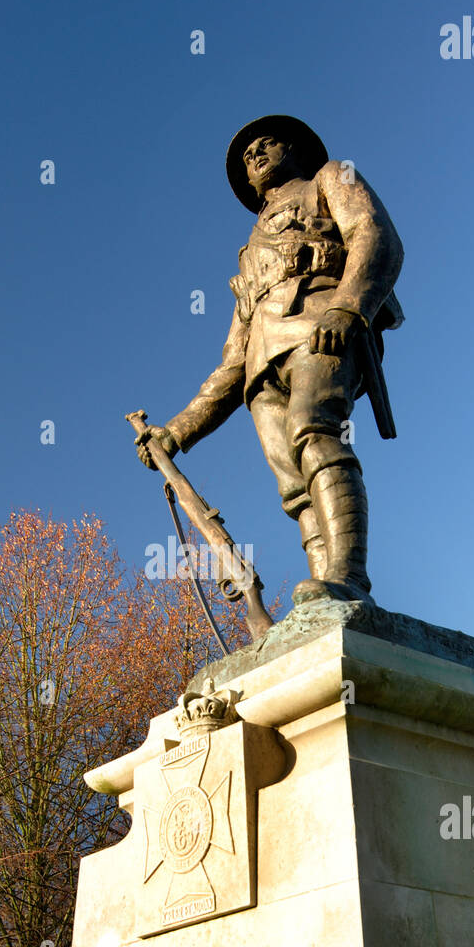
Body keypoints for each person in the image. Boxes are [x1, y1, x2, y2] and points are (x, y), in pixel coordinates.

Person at [136, 114, 404, 606]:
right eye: (246, 155)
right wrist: (177, 431)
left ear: (296, 148)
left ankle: (349, 577)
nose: (254, 156)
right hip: (261, 369)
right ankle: (327, 596)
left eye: (266, 144)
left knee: (313, 431)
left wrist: (348, 306)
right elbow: (234, 356)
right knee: (294, 487)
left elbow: (375, 236)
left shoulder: (330, 179)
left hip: (322, 329)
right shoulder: (247, 255)